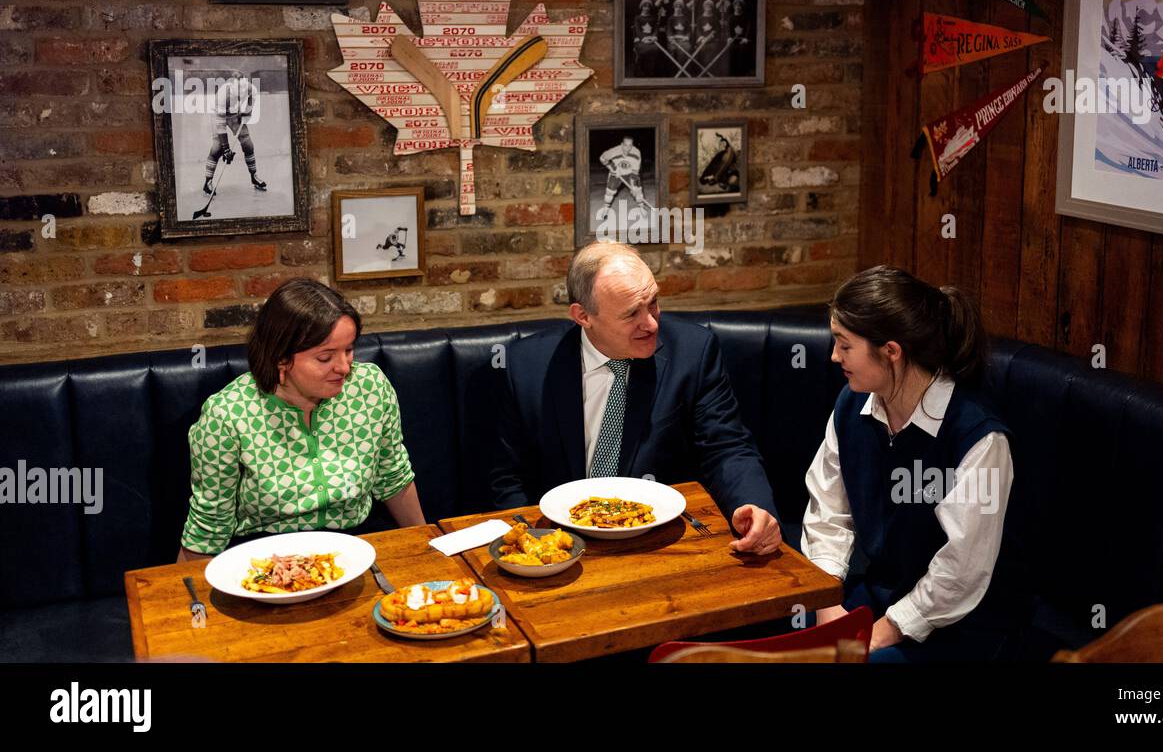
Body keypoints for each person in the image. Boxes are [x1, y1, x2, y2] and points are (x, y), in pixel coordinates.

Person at [490, 242, 782, 554]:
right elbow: (508, 477)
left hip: (661, 540)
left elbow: (727, 447)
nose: (652, 323)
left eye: (653, 303)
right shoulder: (527, 366)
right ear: (583, 316)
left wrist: (752, 505)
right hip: (560, 542)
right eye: (632, 314)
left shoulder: (693, 352)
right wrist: (532, 545)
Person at [802, 266, 1029, 660]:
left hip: (963, 620)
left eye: (844, 344)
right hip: (883, 591)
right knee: (795, 635)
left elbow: (963, 571)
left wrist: (882, 632)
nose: (833, 355)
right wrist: (827, 601)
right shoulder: (851, 405)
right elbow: (828, 514)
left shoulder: (979, 437)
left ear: (891, 351)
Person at [177, 279, 426, 561]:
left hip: (356, 547)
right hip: (266, 559)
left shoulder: (370, 387)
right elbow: (209, 525)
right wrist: (185, 596)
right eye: (325, 357)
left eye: (349, 350)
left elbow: (393, 478)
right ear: (280, 358)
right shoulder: (228, 415)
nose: (344, 367)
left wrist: (427, 549)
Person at [204, 74, 266, 194]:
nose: (239, 93)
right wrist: (226, 149)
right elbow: (221, 124)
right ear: (231, 86)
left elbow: (252, 97)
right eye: (236, 91)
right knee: (217, 148)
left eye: (241, 90)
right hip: (218, 116)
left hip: (235, 115)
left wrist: (247, 112)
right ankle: (207, 182)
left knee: (248, 145)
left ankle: (254, 177)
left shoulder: (249, 88)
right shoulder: (222, 95)